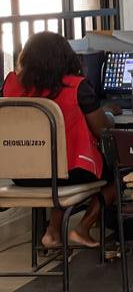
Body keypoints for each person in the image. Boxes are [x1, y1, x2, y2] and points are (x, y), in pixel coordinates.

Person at [2, 32, 119, 249]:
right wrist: (108, 114)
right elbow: (103, 130)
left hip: (24, 175)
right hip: (69, 173)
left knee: (57, 167)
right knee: (117, 176)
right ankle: (82, 228)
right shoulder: (76, 87)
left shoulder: (11, 85)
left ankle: (52, 232)